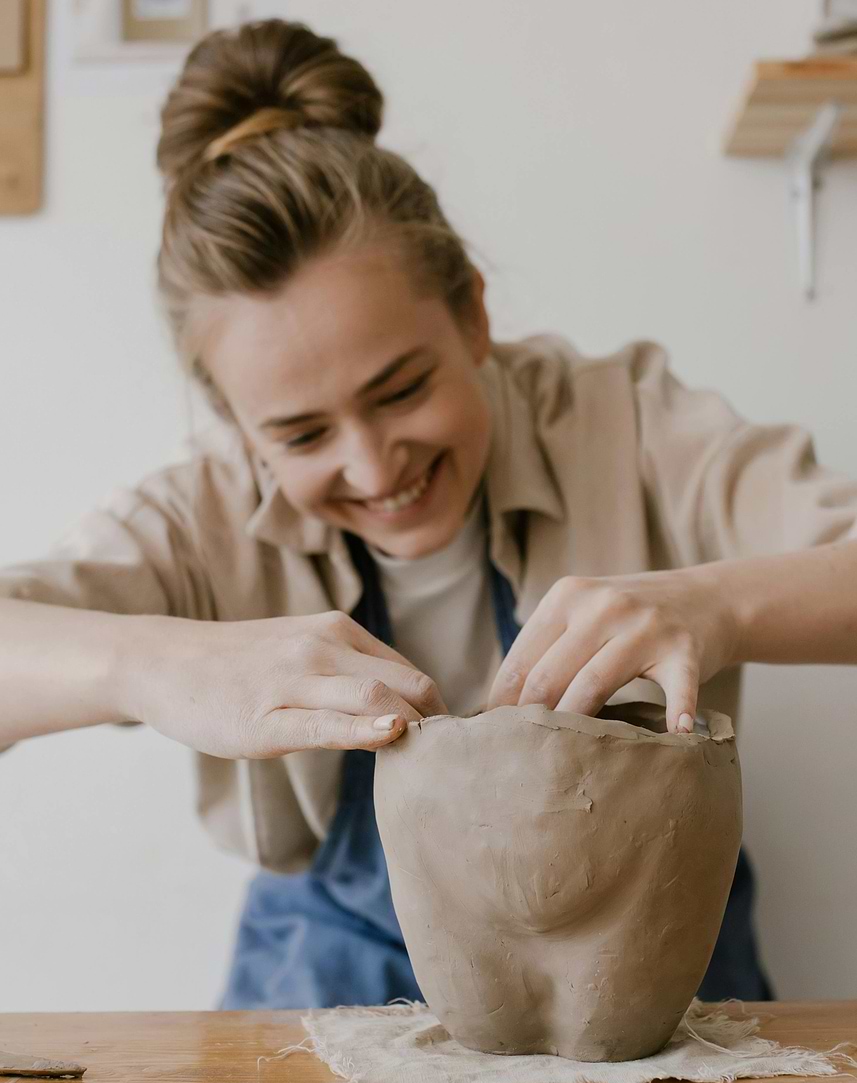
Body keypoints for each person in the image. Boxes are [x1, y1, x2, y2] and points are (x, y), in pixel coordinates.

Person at [1, 19, 855, 1010]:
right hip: (324, 985)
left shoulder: (627, 421)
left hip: (645, 972)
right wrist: (152, 665)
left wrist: (717, 605)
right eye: (300, 435)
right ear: (234, 425)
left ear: (473, 314)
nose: (373, 463)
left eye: (402, 388)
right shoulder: (201, 511)